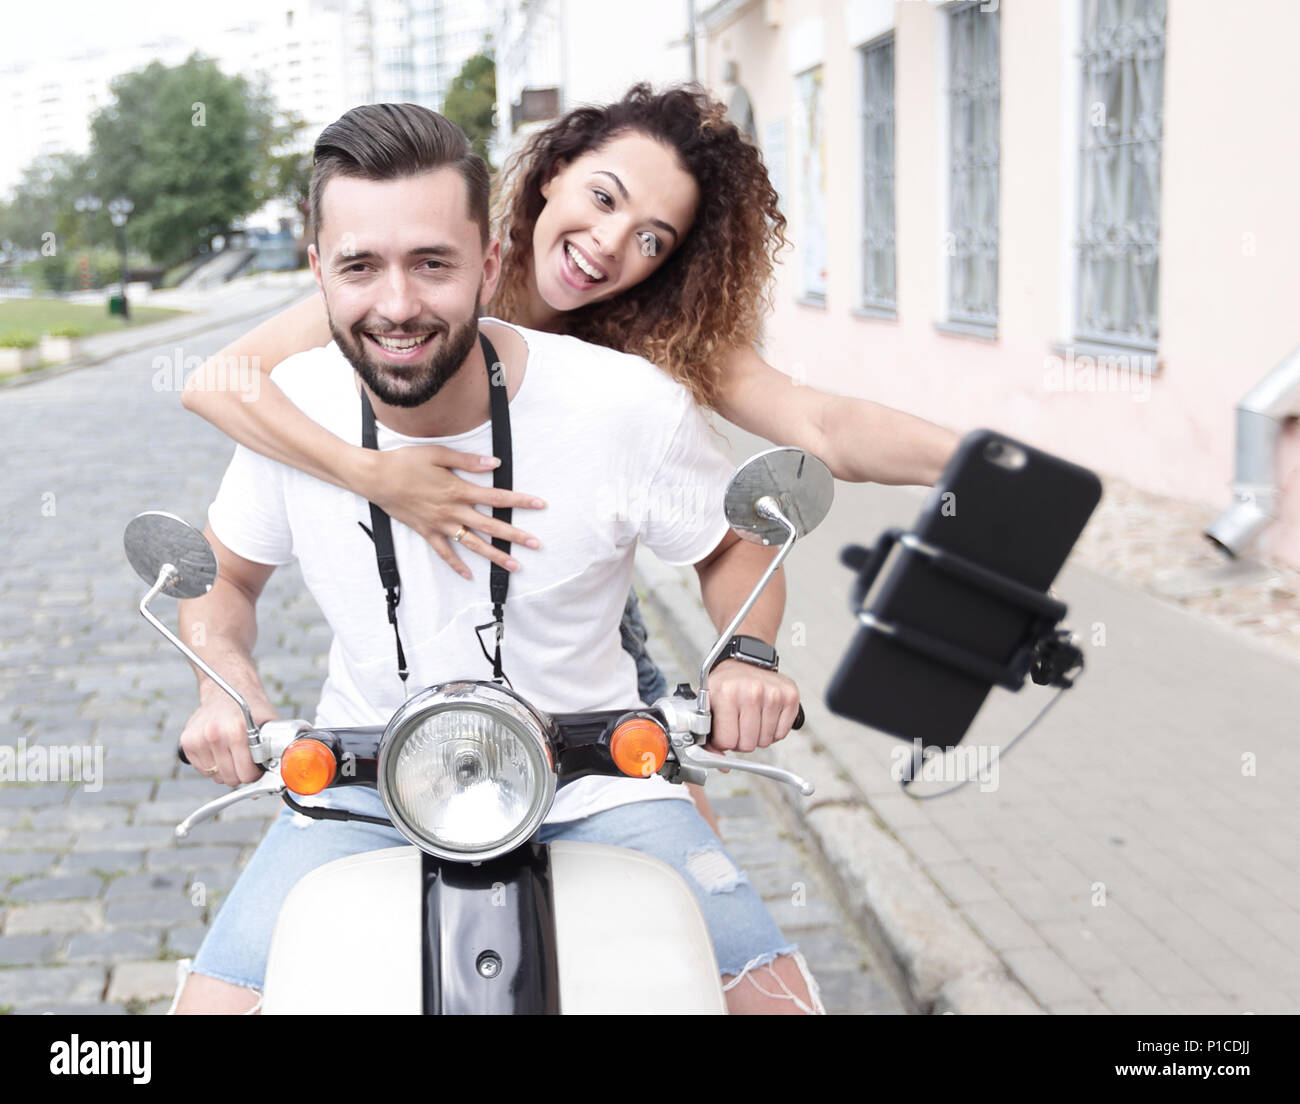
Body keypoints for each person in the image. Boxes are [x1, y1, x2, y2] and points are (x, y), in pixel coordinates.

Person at [171, 102, 823, 1015]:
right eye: (360, 266)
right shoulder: (292, 406)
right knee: (210, 1011)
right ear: (318, 271)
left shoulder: (623, 404)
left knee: (774, 1005)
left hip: (596, 779)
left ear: (487, 263)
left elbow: (736, 543)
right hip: (363, 782)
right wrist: (223, 683)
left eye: (432, 264)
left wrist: (746, 657)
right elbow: (222, 576)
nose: (398, 305)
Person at [182, 82, 959, 736]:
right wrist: (375, 476)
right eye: (603, 197)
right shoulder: (413, 285)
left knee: (677, 853)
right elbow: (215, 381)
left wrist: (974, 465)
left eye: (652, 239)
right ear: (553, 171)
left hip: (583, 638)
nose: (608, 243)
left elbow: (821, 426)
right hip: (404, 698)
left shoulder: (652, 339)